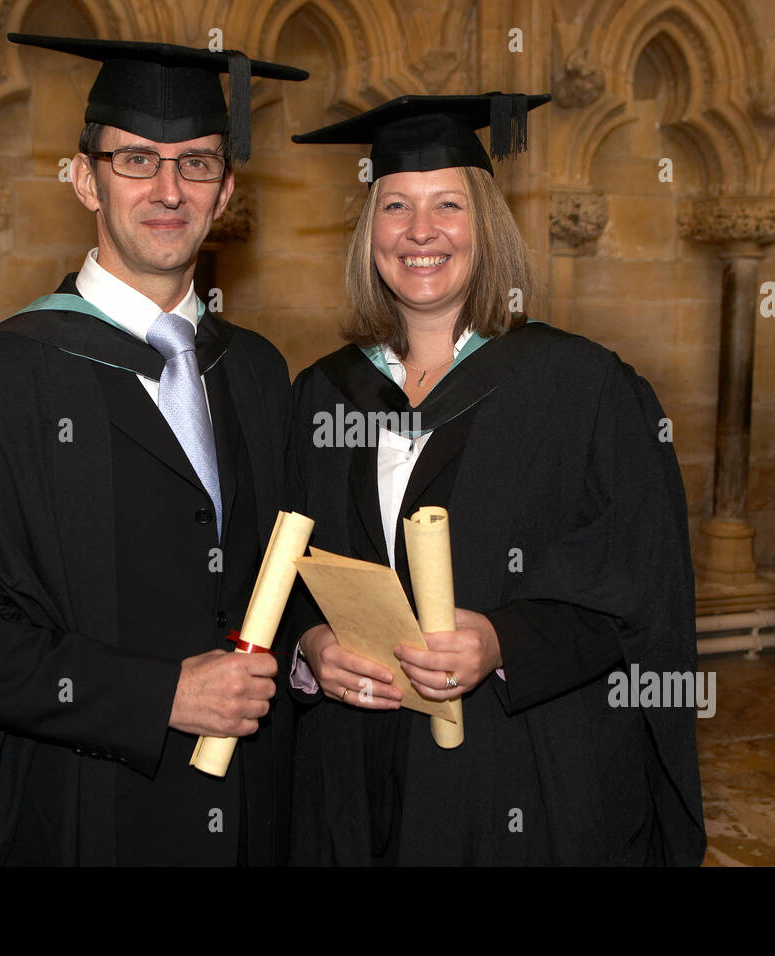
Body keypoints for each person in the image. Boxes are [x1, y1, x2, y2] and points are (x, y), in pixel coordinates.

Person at [0, 34, 308, 865]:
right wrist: (159, 694)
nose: (169, 189)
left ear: (228, 190)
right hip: (73, 812)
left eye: (199, 163)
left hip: (248, 811)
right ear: (84, 178)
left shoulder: (255, 372)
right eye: (137, 159)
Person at [282, 94, 705, 864]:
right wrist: (308, 645)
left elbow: (644, 584)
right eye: (395, 206)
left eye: (449, 204)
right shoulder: (323, 393)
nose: (420, 231)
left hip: (517, 765)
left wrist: (503, 640)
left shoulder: (580, 387)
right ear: (368, 231)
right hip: (353, 759)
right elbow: (277, 567)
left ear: (487, 225)